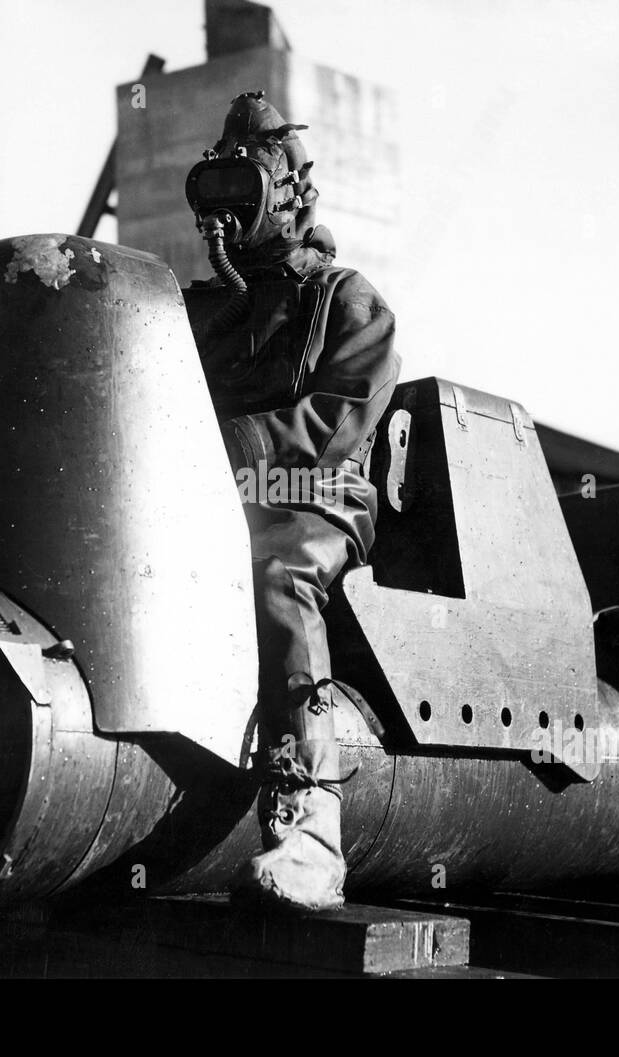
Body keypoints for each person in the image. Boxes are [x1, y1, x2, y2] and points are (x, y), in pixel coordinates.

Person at [181, 91, 400, 911]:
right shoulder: (197, 311)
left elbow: (337, 421)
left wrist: (233, 448)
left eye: (246, 191)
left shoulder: (348, 299)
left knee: (275, 569)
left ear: (292, 192)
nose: (227, 219)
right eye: (216, 195)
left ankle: (311, 830)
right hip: (212, 495)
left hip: (315, 497)